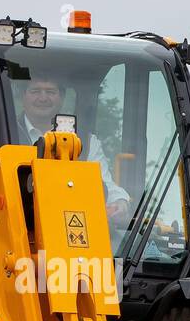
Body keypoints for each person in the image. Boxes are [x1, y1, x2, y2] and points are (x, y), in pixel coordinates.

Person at [16, 76, 131, 227]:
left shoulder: (86, 142)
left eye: (50, 92)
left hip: (72, 232)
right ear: (23, 96)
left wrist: (120, 203)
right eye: (35, 91)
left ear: (62, 98)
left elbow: (103, 184)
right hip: (17, 232)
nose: (43, 98)